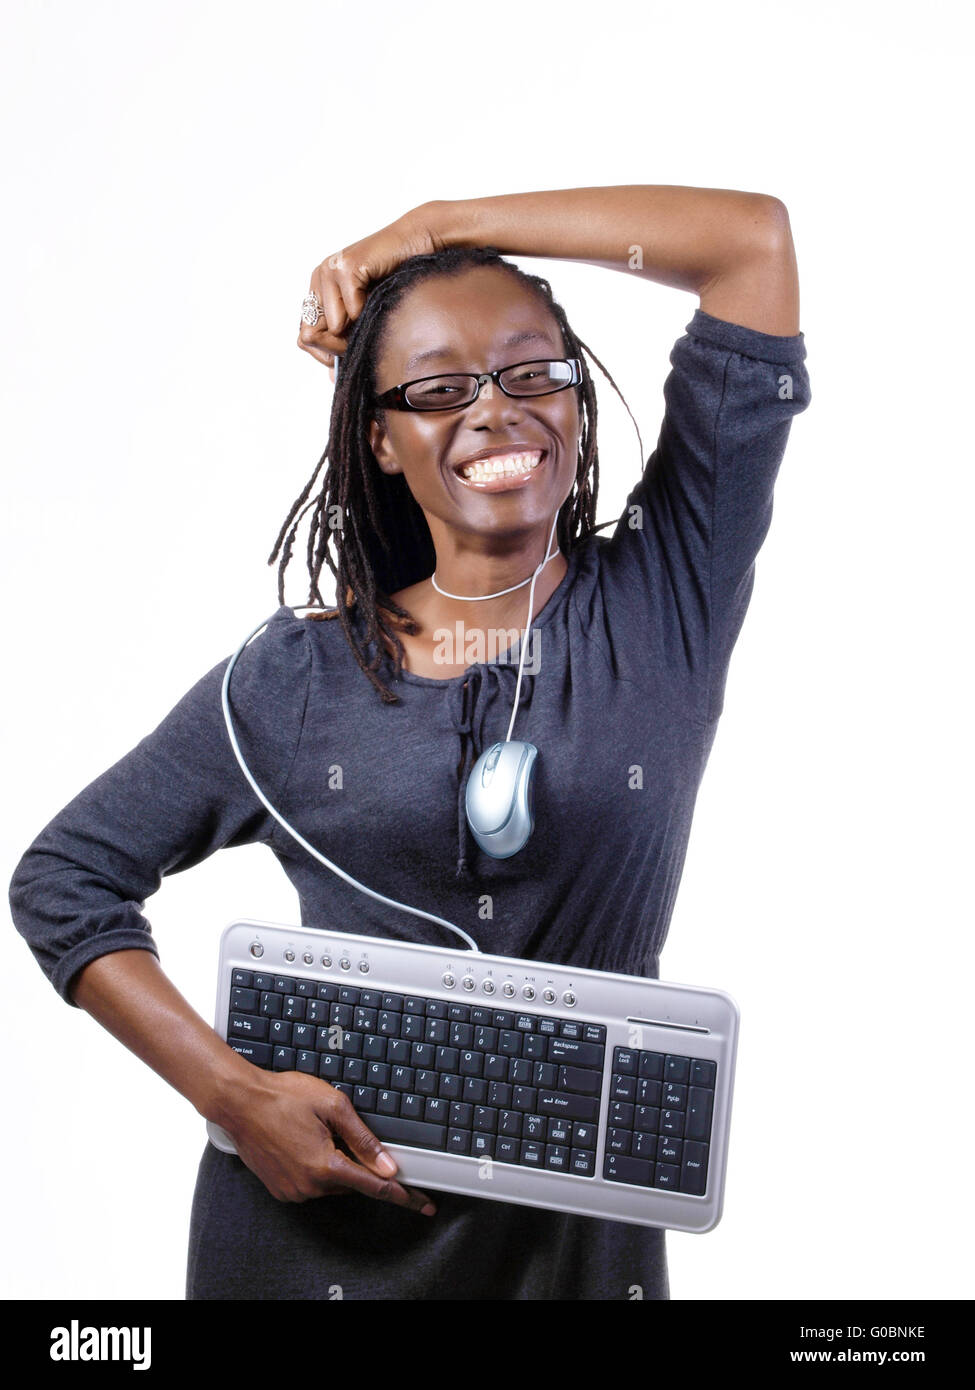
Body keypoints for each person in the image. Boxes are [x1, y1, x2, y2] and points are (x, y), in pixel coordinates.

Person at [9, 185, 811, 1300]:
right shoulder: (292, 680)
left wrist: (435, 224)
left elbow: (750, 244)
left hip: (572, 1242)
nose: (496, 411)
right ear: (379, 440)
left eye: (534, 372)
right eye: (441, 390)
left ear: (577, 401)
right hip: (313, 1224)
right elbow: (66, 877)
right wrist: (234, 1097)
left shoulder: (669, 599)